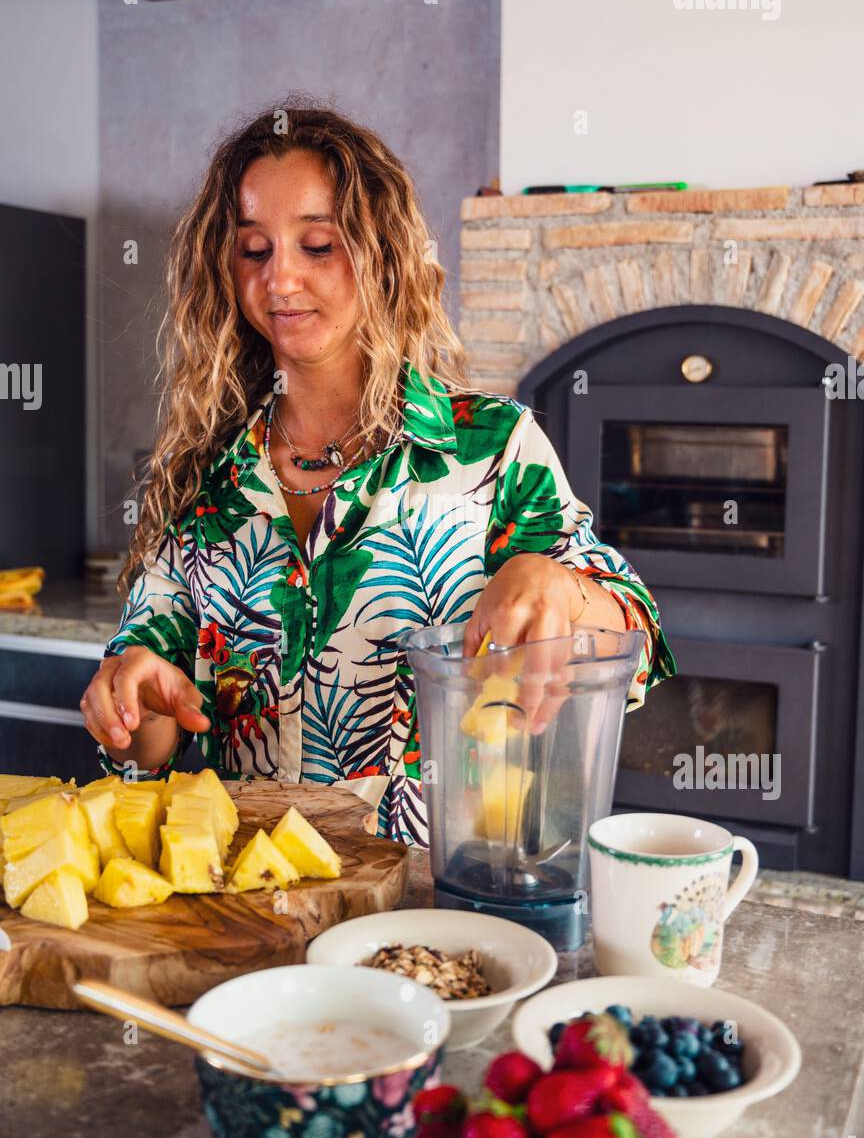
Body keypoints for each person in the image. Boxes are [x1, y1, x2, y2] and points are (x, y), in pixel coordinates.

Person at [80, 98, 675, 846]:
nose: (281, 280)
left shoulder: (489, 447)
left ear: (383, 254)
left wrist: (555, 583)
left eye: (319, 245)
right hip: (253, 902)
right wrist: (132, 704)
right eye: (254, 250)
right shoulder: (205, 481)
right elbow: (148, 736)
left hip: (438, 903)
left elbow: (639, 638)